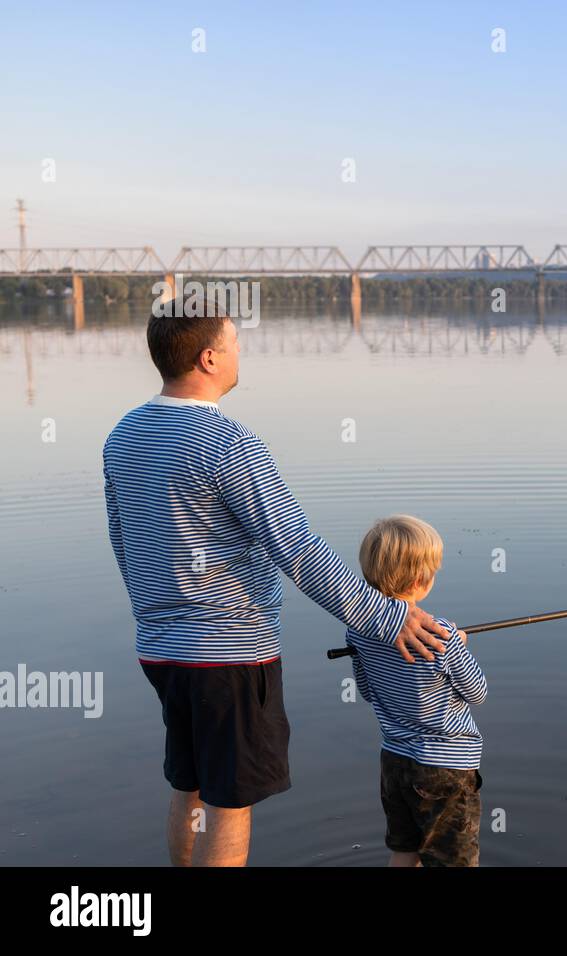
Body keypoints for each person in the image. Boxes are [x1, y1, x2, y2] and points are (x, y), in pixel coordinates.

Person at [102, 304, 450, 866]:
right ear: (209, 357)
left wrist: (157, 616)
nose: (241, 353)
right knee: (229, 804)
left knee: (188, 786)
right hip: (229, 653)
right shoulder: (227, 442)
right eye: (235, 342)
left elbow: (122, 538)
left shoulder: (124, 435)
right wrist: (384, 616)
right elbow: (298, 549)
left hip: (161, 652)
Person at [348, 515, 487, 867]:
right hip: (445, 769)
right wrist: (457, 646)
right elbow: (477, 692)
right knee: (453, 860)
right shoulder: (439, 635)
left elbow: (365, 690)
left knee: (405, 850)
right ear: (420, 580)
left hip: (394, 763)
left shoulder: (359, 631)